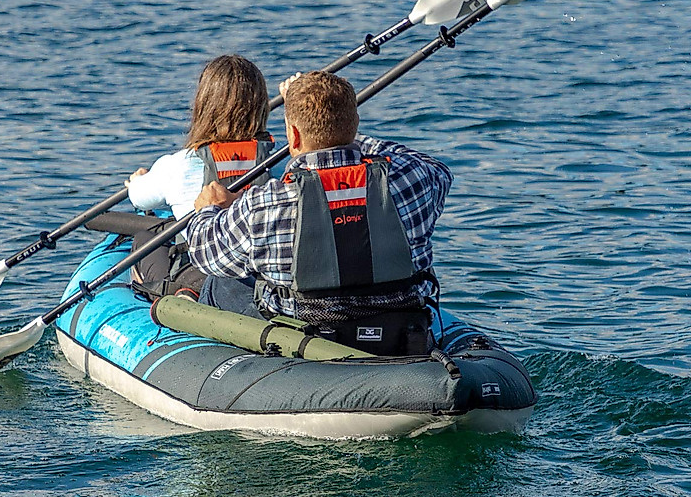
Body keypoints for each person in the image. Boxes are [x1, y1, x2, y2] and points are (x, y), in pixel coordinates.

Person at [186, 70, 452, 355]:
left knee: (220, 283)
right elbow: (431, 165)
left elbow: (204, 252)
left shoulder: (262, 204)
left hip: (307, 339)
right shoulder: (413, 179)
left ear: (294, 135)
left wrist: (208, 209)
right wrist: (345, 130)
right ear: (354, 124)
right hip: (397, 331)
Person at [119, 54, 273, 299]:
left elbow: (138, 198)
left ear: (202, 107)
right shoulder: (278, 161)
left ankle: (162, 305)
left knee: (144, 240)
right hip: (264, 273)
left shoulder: (177, 165)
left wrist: (138, 180)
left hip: (203, 273)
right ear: (262, 107)